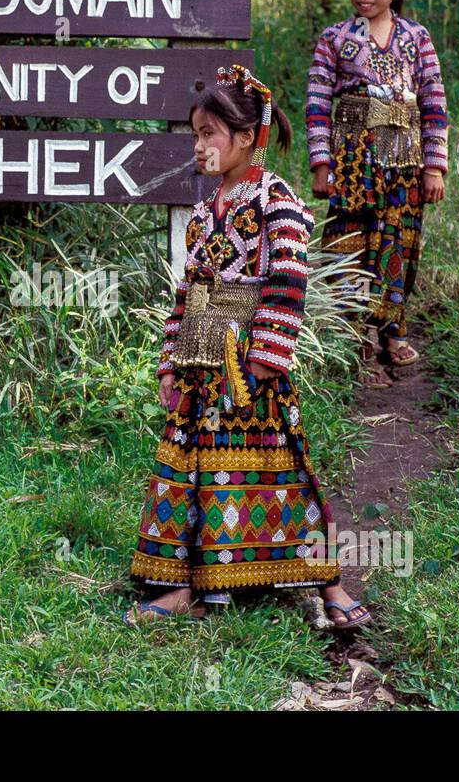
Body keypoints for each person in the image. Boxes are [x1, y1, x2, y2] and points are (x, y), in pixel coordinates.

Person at [124, 64, 370, 630]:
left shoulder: (276, 201)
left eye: (211, 133)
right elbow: (188, 289)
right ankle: (186, 585)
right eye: (195, 134)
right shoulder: (206, 211)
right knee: (191, 469)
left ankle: (328, 583)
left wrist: (263, 360)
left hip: (248, 363)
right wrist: (169, 361)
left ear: (247, 137)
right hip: (197, 361)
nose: (201, 145)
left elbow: (287, 283)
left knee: (281, 469)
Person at [306, 0, 449, 390]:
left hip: (404, 163)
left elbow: (434, 101)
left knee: (398, 244)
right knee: (350, 244)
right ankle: (356, 340)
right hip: (351, 163)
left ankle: (392, 329)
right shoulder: (335, 39)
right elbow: (316, 103)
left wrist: (434, 165)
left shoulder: (417, 38)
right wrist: (321, 162)